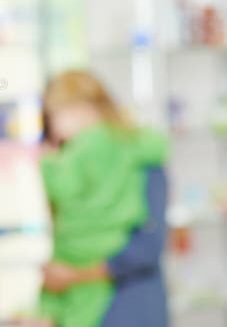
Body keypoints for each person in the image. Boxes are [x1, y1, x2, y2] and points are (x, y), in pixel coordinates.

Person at [38, 71, 169, 327]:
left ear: (96, 107)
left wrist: (73, 276)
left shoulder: (140, 157)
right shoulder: (65, 167)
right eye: (54, 115)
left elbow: (147, 248)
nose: (61, 124)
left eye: (69, 111)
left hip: (128, 304)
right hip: (77, 307)